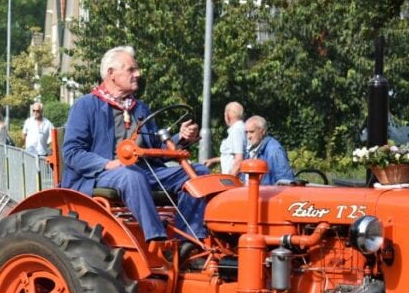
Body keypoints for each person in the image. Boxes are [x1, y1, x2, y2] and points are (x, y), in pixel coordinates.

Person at [61, 45, 208, 242]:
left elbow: (157, 149)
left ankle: (189, 241)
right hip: (102, 175)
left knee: (199, 173)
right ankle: (158, 240)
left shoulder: (140, 109)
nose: (138, 74)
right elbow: (72, 152)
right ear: (111, 74)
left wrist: (181, 138)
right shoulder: (86, 105)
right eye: (131, 69)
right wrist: (107, 164)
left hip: (145, 172)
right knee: (131, 176)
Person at [243, 115, 295, 185]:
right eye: (246, 132)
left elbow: (285, 182)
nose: (248, 136)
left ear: (263, 131)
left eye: (252, 132)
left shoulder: (274, 150)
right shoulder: (250, 150)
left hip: (266, 191)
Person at [207, 101, 245, 175]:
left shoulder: (237, 131)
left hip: (233, 178)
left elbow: (239, 160)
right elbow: (231, 155)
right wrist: (213, 160)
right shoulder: (241, 128)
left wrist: (229, 179)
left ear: (227, 116)